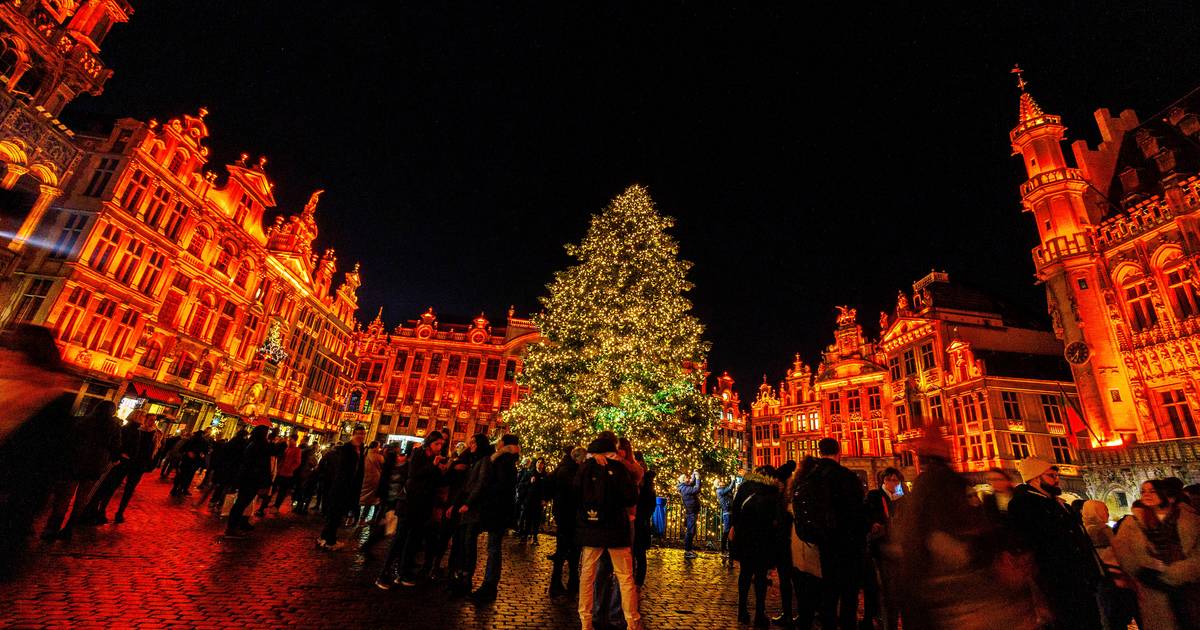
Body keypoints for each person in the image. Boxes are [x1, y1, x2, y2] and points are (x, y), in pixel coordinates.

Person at [891, 433, 1037, 630]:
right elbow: (955, 535)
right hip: (961, 593)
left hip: (938, 592)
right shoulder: (947, 483)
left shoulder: (924, 487)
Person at [0, 324, 76, 579]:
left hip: (11, 502)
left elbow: (43, 463)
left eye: (11, 350)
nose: (5, 356)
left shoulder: (50, 399)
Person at [1008, 456, 1103, 630]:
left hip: (1080, 580)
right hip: (1058, 585)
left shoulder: (1057, 504)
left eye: (1056, 475)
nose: (1057, 479)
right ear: (1036, 478)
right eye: (1051, 476)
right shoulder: (1024, 505)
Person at [791, 437, 864, 630]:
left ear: (819, 451)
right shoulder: (847, 476)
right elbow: (858, 512)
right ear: (839, 452)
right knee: (848, 598)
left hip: (822, 545)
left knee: (828, 597)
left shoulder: (809, 477)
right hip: (848, 545)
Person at [1114, 480, 1200, 629]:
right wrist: (1142, 573)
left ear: (1166, 494)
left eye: (1152, 491)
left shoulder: (1188, 518)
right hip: (1153, 588)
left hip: (1188, 586)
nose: (1146, 495)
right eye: (1143, 492)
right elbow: (1124, 552)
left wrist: (1179, 572)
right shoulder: (1132, 523)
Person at [576, 433, 640, 630]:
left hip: (592, 528)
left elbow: (575, 491)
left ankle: (585, 621)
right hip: (615, 529)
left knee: (587, 576)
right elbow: (630, 498)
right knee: (625, 577)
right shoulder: (618, 467)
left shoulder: (585, 467)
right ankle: (632, 622)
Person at [45, 400, 121, 539]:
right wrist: (112, 458)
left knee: (64, 497)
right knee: (82, 499)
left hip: (75, 463)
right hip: (95, 466)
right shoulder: (114, 427)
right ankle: (69, 529)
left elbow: (69, 440)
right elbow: (116, 448)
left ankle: (52, 528)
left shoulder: (83, 422)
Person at [468, 434, 520, 603]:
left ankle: (489, 586)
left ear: (504, 444)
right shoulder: (507, 460)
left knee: (493, 548)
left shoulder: (503, 461)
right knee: (493, 547)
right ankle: (488, 584)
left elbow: (500, 487)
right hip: (499, 510)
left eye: (500, 441)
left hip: (497, 510)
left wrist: (488, 494)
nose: (497, 444)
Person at [442, 434, 495, 595]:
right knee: (462, 541)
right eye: (470, 442)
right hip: (466, 508)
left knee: (469, 543)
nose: (470, 445)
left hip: (474, 509)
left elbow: (480, 484)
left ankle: (466, 578)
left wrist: (468, 503)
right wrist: (455, 504)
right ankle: (460, 574)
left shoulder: (484, 461)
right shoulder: (474, 460)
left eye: (473, 442)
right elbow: (466, 485)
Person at [730, 466, 782, 628]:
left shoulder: (745, 487)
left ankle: (742, 610)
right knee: (760, 576)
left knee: (745, 573)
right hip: (764, 538)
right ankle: (760, 612)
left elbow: (735, 510)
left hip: (745, 536)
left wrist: (735, 528)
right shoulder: (772, 491)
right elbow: (777, 517)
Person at [396, 431, 447, 585]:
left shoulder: (434, 458)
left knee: (415, 537)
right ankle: (401, 571)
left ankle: (406, 566)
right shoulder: (419, 454)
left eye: (441, 445)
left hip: (424, 503)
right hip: (412, 502)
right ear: (430, 443)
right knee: (405, 537)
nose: (439, 447)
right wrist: (433, 466)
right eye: (437, 444)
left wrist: (441, 470)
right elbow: (414, 474)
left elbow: (435, 481)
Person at [90, 411, 159, 524]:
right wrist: (121, 454)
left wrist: (149, 465)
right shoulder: (136, 430)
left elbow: (154, 451)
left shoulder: (155, 434)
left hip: (139, 465)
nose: (152, 422)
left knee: (129, 490)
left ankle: (120, 512)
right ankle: (101, 510)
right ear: (145, 419)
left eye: (154, 420)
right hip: (127, 462)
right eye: (150, 419)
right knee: (111, 486)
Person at [1082, 500, 1139, 630]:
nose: (1107, 512)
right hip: (1112, 577)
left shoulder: (1085, 528)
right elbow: (1117, 551)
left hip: (1101, 578)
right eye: (1104, 510)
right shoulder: (1102, 529)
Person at [862, 467, 903, 630]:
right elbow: (865, 515)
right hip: (881, 547)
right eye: (890, 479)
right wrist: (872, 524)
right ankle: (884, 620)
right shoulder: (874, 496)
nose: (893, 483)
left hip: (899, 547)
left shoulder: (902, 498)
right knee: (885, 588)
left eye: (895, 480)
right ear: (883, 480)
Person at [317, 426, 366, 549]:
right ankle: (330, 541)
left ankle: (324, 538)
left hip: (350, 487)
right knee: (336, 514)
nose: (361, 436)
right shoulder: (346, 449)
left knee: (336, 514)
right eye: (358, 433)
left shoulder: (361, 449)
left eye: (363, 434)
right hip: (341, 486)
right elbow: (342, 469)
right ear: (353, 434)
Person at [224, 425, 274, 537]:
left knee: (242, 503)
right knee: (241, 503)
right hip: (251, 479)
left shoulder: (252, 444)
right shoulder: (260, 445)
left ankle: (234, 526)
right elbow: (270, 455)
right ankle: (232, 528)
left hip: (247, 478)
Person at [549, 446, 586, 596]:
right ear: (576, 458)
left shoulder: (564, 468)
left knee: (570, 551)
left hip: (566, 515)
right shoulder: (568, 471)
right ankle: (558, 583)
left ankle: (571, 582)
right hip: (568, 516)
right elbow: (574, 492)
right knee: (566, 551)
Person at [633, 453, 657, 588]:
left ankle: (638, 582)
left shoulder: (646, 487)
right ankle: (635, 580)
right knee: (636, 554)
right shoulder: (646, 485)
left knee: (639, 554)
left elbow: (650, 505)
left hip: (640, 522)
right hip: (639, 521)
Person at [171, 428, 210, 496]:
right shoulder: (204, 442)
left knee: (180, 474)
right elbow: (205, 453)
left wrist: (187, 453)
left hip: (186, 460)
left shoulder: (190, 440)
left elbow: (181, 449)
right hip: (194, 463)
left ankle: (175, 489)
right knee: (188, 476)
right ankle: (183, 489)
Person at [358, 440, 384, 523]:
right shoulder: (379, 457)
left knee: (358, 497)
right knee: (369, 501)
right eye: (378, 446)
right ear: (376, 447)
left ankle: (351, 516)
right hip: (374, 481)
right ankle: (362, 519)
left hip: (363, 478)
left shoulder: (364, 454)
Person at [677, 469, 702, 558]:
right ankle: (687, 551)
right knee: (690, 532)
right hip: (691, 513)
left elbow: (691, 482)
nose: (689, 479)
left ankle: (689, 550)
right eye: (687, 478)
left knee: (692, 531)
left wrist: (694, 473)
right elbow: (696, 489)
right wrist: (698, 478)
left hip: (692, 512)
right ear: (684, 480)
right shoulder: (684, 488)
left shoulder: (684, 486)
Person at [717, 473, 739, 559]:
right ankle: (723, 550)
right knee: (726, 532)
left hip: (730, 512)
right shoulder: (719, 490)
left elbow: (730, 489)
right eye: (721, 482)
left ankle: (729, 550)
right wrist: (733, 480)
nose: (723, 483)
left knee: (730, 531)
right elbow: (729, 488)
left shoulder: (724, 490)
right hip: (727, 513)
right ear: (718, 484)